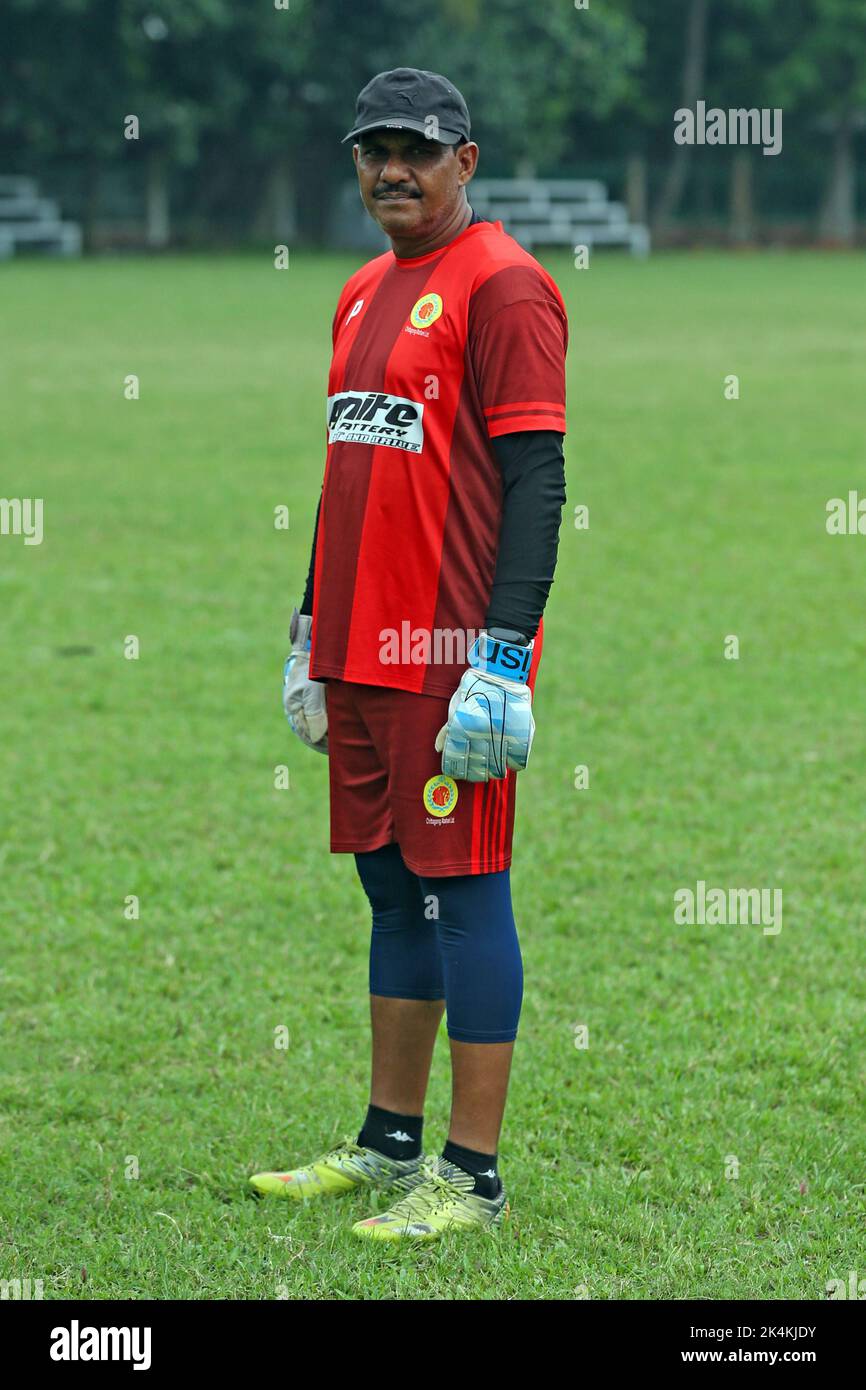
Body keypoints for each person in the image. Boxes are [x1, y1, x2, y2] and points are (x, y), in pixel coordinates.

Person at [250, 67, 568, 1242]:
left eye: (417, 151)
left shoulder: (506, 287)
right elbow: (346, 475)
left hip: (446, 657)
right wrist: (305, 628)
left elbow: (537, 478)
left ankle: (470, 1175)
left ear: (464, 162)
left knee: (465, 891)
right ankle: (389, 1145)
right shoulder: (355, 291)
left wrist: (502, 657)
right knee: (389, 885)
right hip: (355, 651)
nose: (393, 170)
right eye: (374, 150)